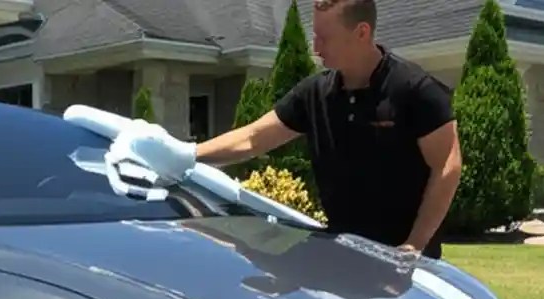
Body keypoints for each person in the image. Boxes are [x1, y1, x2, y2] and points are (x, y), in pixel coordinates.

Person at [107, 0, 462, 259]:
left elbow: (447, 166)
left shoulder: (414, 90)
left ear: (362, 32)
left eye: (325, 38)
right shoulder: (316, 93)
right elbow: (253, 137)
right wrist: (186, 155)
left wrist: (414, 246)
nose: (315, 47)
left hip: (407, 264)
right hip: (343, 252)